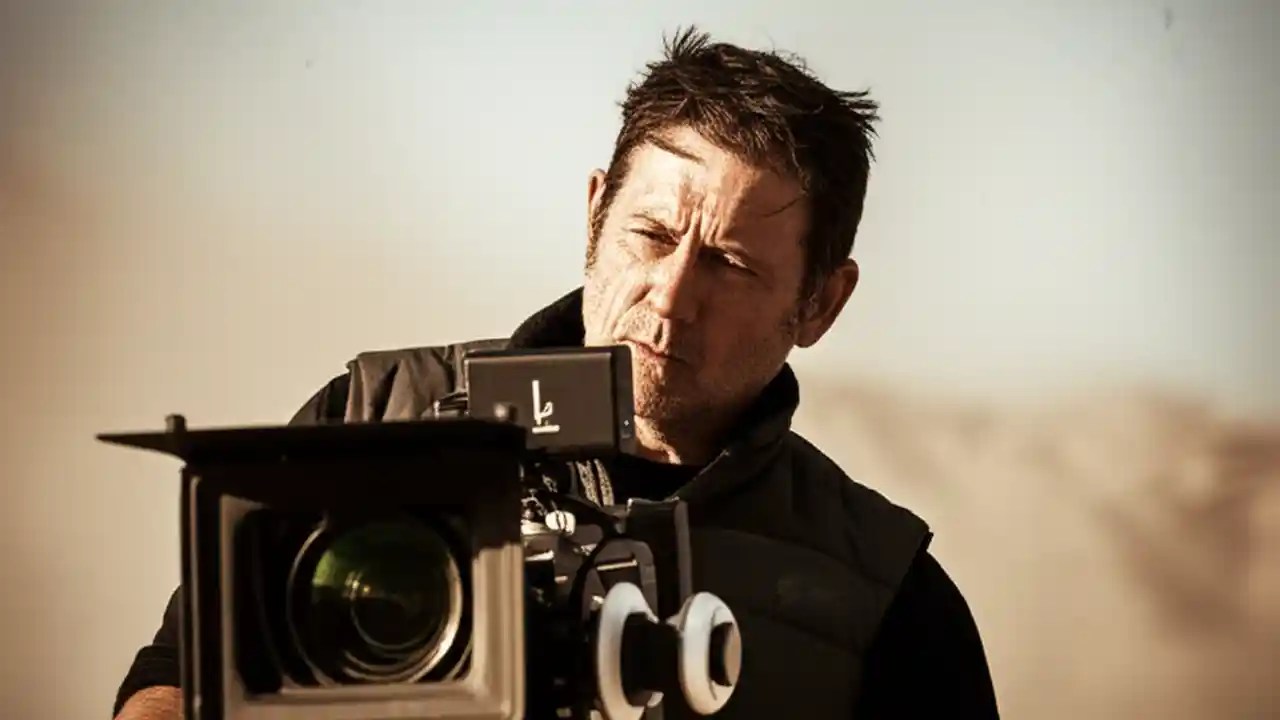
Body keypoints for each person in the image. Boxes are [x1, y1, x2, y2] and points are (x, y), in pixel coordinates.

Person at [113, 27, 999, 719]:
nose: (671, 297)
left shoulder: (885, 595)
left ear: (820, 304)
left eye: (731, 264)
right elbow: (180, 678)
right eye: (649, 235)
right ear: (592, 217)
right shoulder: (371, 423)